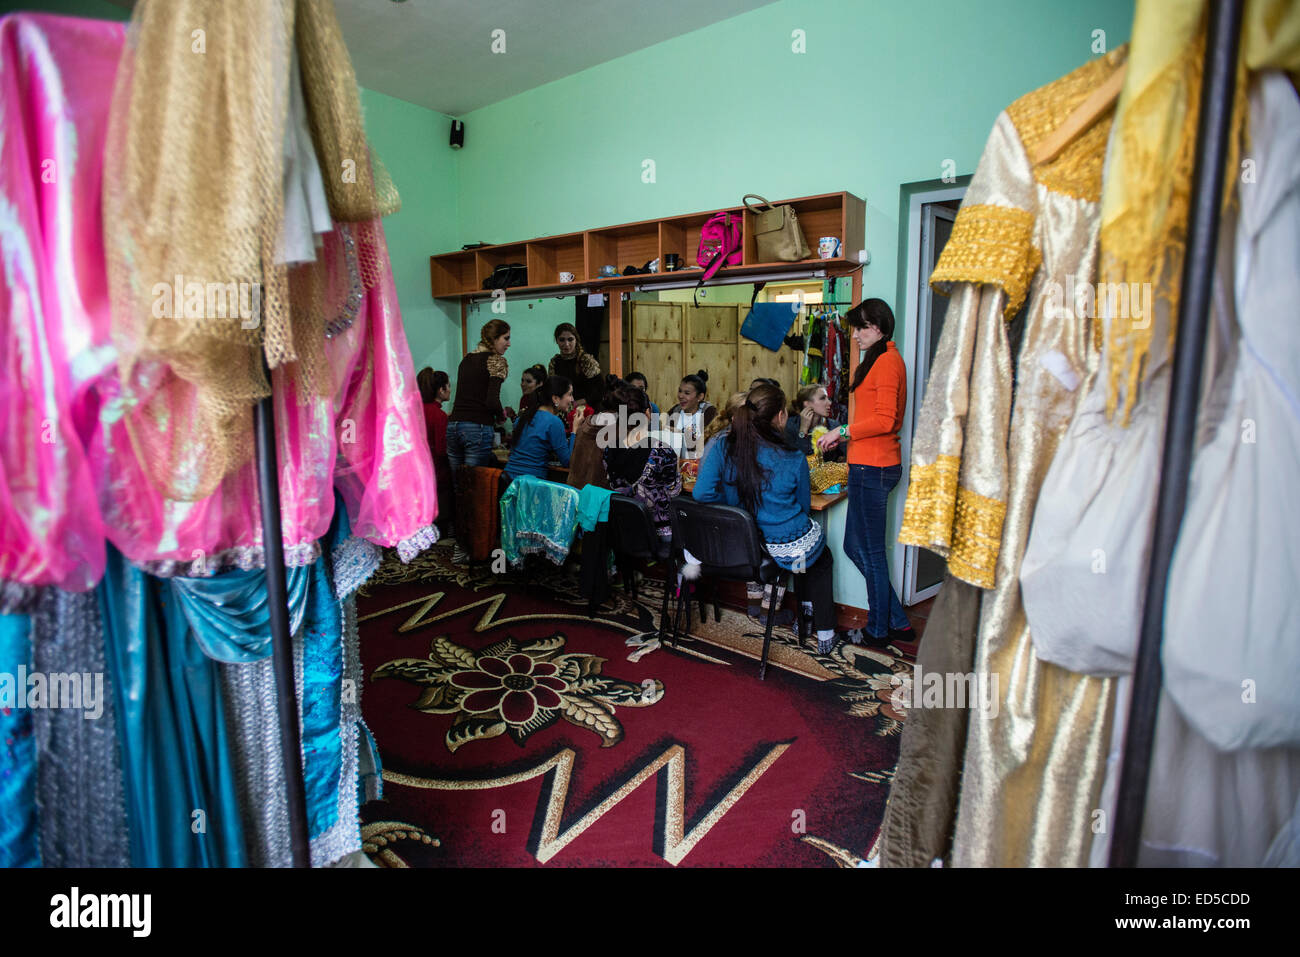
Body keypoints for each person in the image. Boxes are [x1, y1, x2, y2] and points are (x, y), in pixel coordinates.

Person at [693, 382, 841, 653]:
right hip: (779, 540)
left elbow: (702, 493)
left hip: (747, 540)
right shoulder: (792, 456)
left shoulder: (725, 445)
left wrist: (735, 512)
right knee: (819, 556)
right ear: (781, 416)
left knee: (806, 557)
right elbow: (803, 507)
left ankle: (805, 614)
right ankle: (824, 631)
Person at [817, 298, 911, 644]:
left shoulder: (887, 362)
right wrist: (844, 436)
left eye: (861, 328)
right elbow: (874, 419)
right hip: (866, 465)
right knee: (855, 547)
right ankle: (897, 621)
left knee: (869, 552)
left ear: (879, 327)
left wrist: (842, 431)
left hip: (875, 468)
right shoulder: (878, 359)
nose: (854, 335)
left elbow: (885, 421)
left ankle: (878, 630)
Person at [602, 379, 681, 540]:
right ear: (647, 413)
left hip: (622, 528)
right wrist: (678, 466)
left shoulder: (609, 448)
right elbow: (673, 492)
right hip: (657, 531)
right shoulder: (663, 451)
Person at [448, 319, 514, 472]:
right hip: (476, 426)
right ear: (494, 338)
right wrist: (501, 416)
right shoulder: (496, 361)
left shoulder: (466, 359)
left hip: (453, 426)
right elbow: (492, 400)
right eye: (506, 338)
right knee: (475, 482)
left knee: (458, 482)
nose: (509, 344)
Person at [504, 375, 584, 483]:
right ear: (555, 398)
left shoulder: (523, 417)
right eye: (569, 394)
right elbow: (568, 462)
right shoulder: (554, 422)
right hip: (530, 485)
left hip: (509, 480)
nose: (572, 399)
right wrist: (575, 429)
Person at [418, 368, 454, 536]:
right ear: (441, 390)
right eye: (448, 386)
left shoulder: (417, 411)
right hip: (436, 471)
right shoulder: (439, 415)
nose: (450, 390)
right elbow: (441, 450)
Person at [549, 322, 603, 407]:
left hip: (588, 408)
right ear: (557, 341)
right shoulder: (555, 362)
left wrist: (576, 403)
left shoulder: (586, 360)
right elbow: (552, 389)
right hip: (563, 408)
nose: (566, 344)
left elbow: (600, 390)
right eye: (562, 340)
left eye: (570, 339)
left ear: (576, 340)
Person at [786, 384, 845, 460]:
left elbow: (846, 453)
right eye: (822, 398)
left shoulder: (834, 425)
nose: (829, 403)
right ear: (807, 404)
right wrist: (803, 430)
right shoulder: (790, 425)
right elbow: (796, 458)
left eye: (828, 398)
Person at [667, 371, 716, 461]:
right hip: (676, 463)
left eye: (687, 393)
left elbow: (703, 440)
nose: (680, 396)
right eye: (680, 391)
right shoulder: (675, 410)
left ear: (700, 396)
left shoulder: (708, 411)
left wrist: (679, 433)